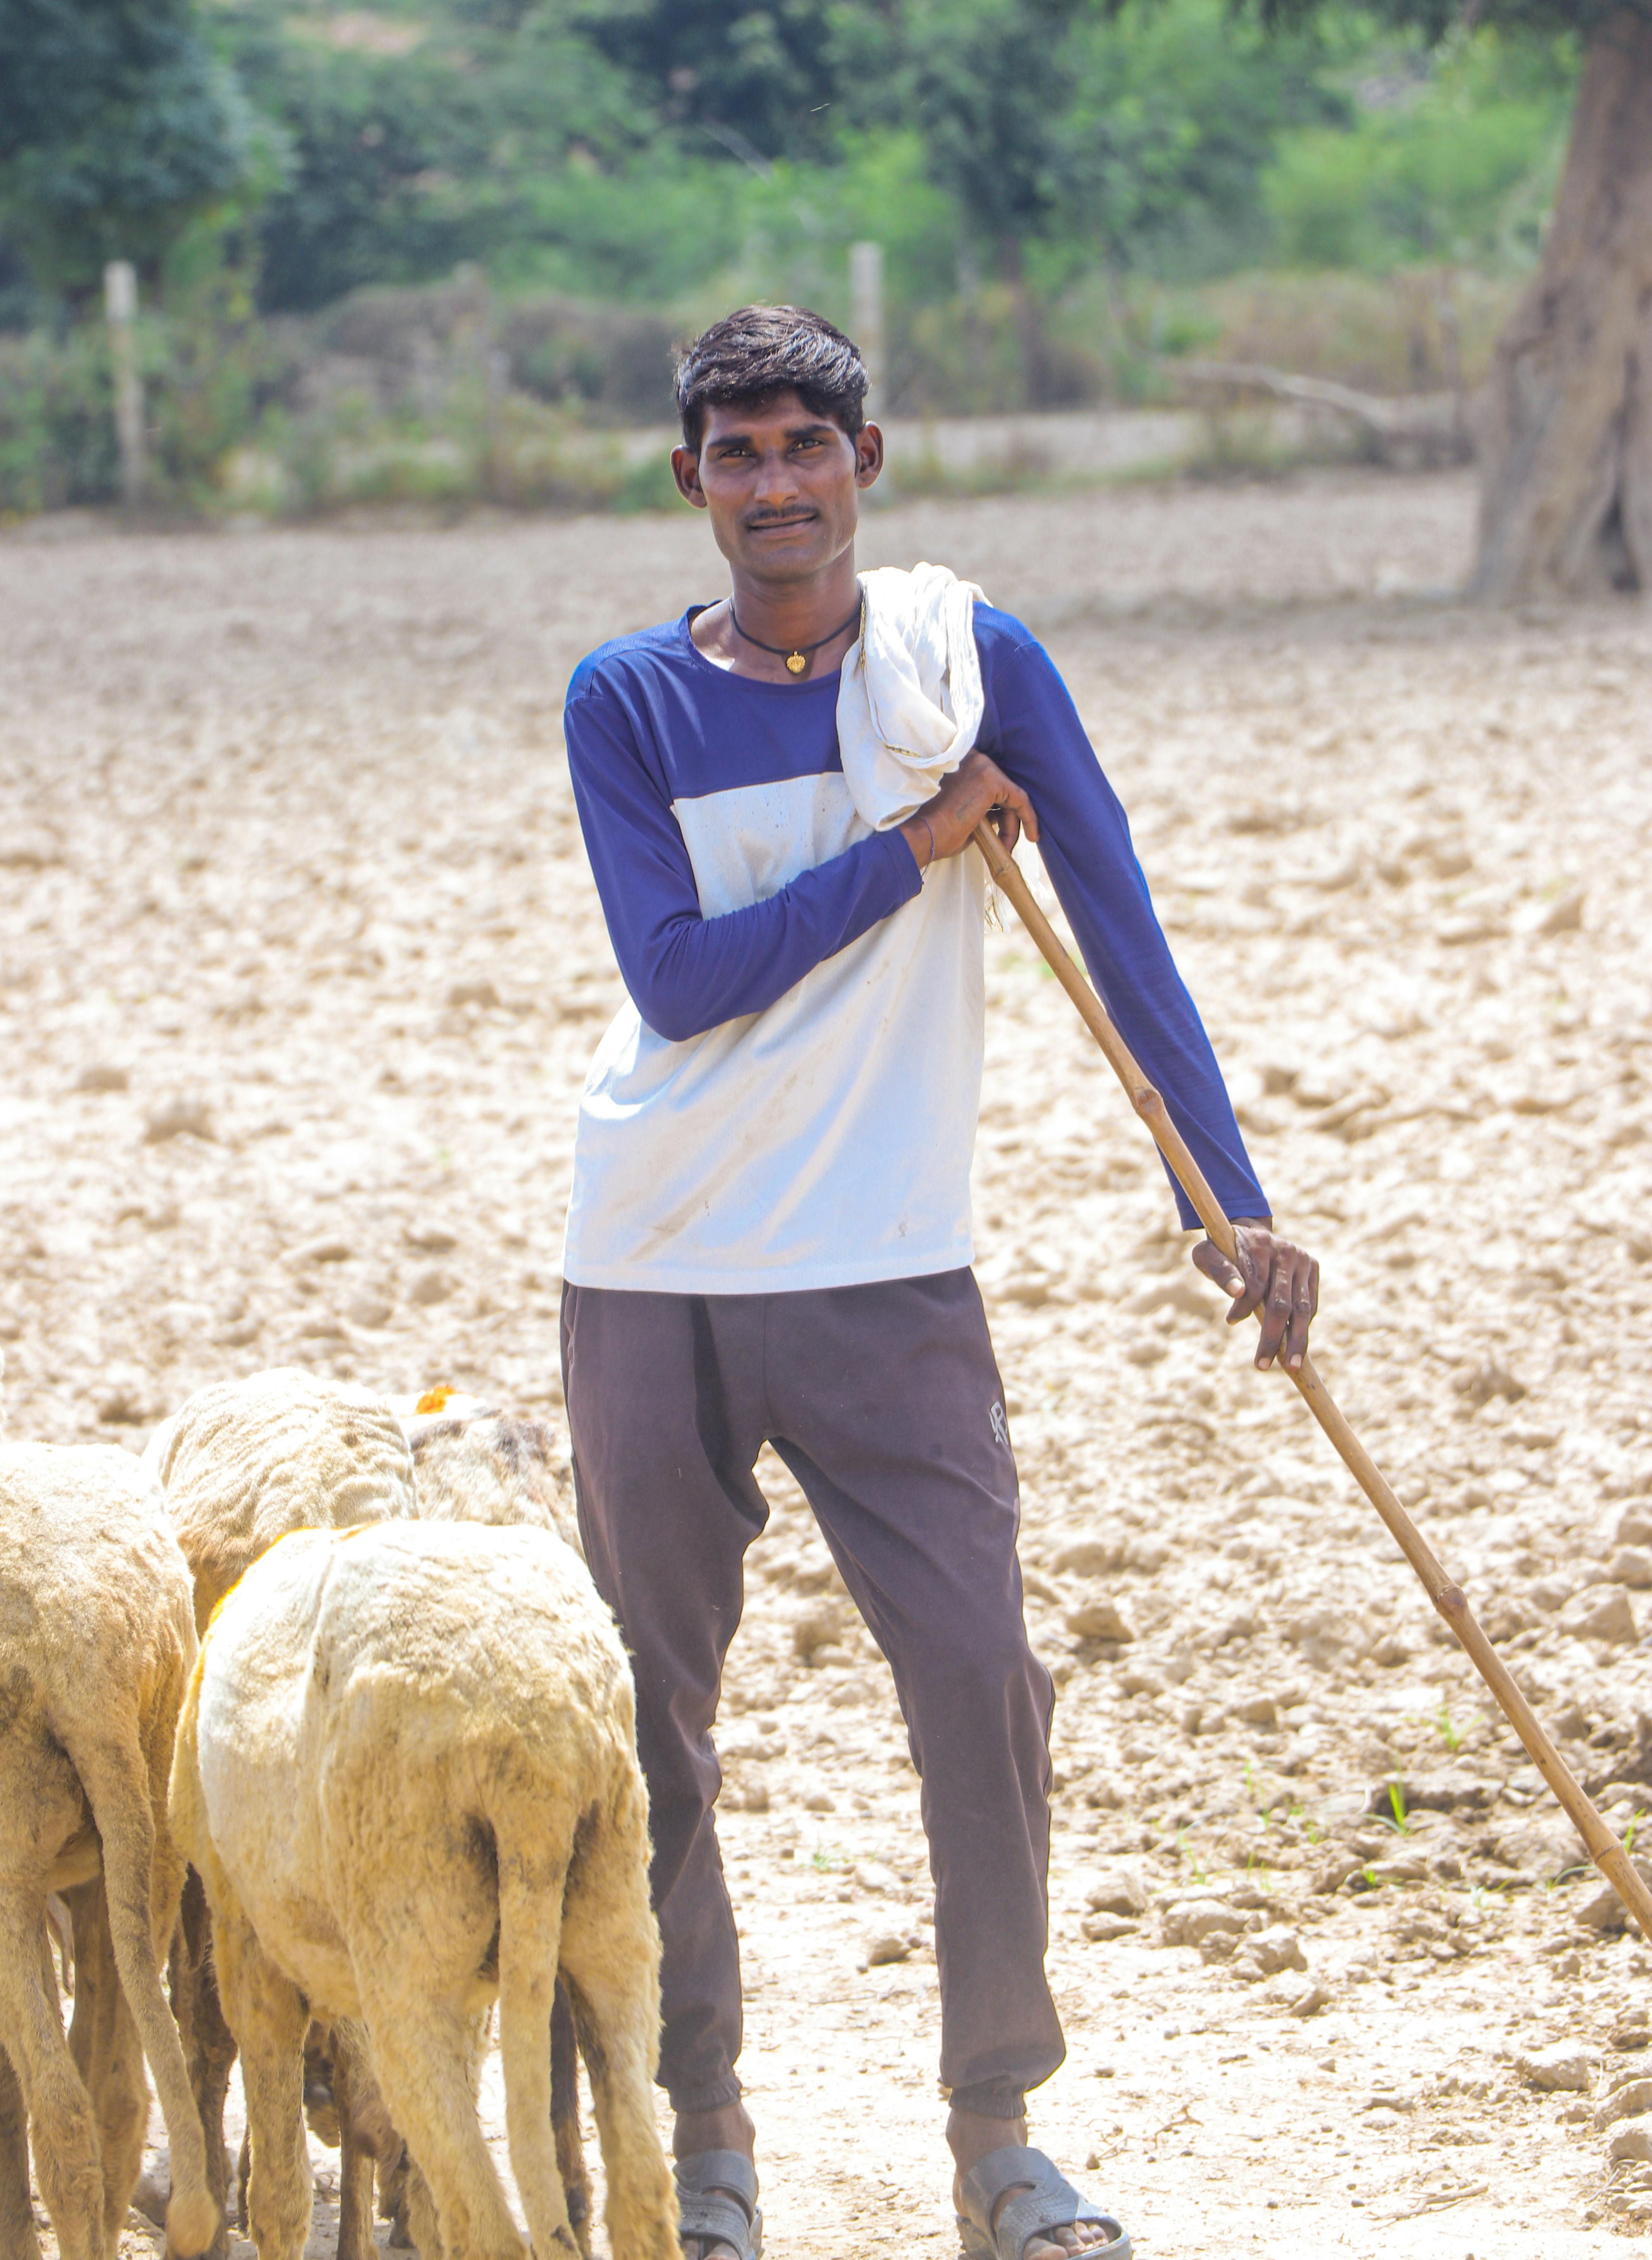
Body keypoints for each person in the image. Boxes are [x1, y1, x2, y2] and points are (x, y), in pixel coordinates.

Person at [558, 304, 1320, 2260]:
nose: (775, 486)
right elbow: (679, 981)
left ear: (867, 464)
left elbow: (1114, 913)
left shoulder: (968, 667)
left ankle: (999, 2136)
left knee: (981, 1682)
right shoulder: (623, 699)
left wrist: (1217, 1196)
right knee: (655, 1707)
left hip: (889, 1265)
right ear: (689, 483)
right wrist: (912, 848)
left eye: (809, 446)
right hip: (655, 1258)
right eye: (737, 453)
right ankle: (702, 2130)